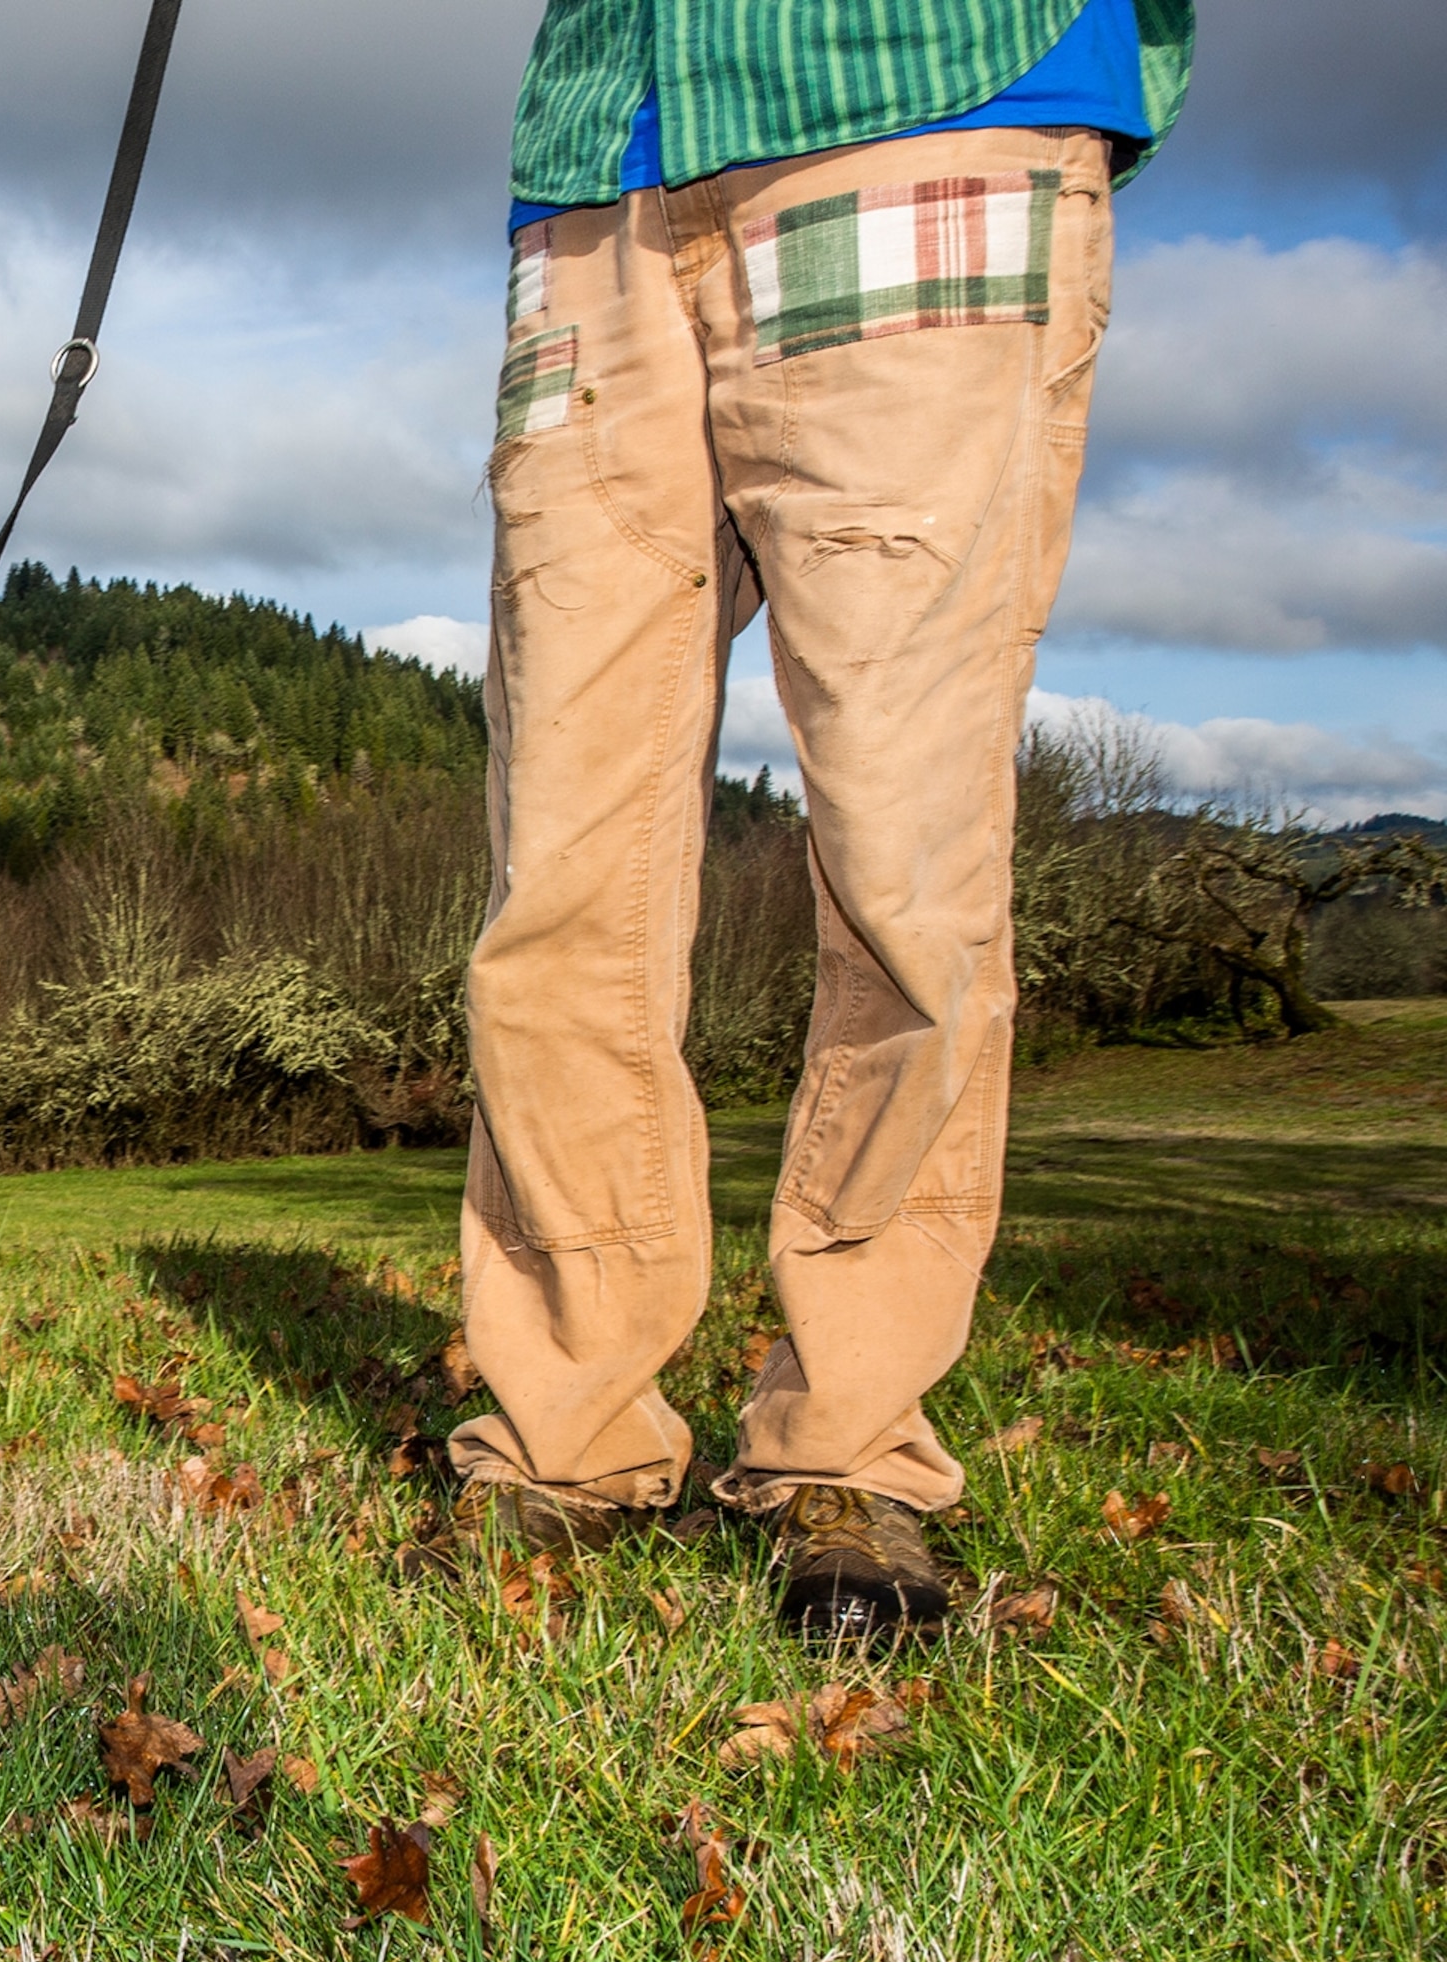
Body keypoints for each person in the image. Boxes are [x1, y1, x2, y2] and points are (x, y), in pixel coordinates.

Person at [446, 0, 1194, 1637]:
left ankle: (847, 1444)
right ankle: (562, 1428)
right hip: (598, 159)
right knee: (558, 870)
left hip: (911, 85)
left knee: (900, 858)